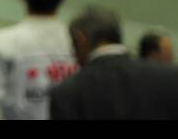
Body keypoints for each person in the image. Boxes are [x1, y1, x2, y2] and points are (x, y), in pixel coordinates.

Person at [50, 6, 178, 119]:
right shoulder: (169, 78)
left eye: (73, 44)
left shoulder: (68, 94)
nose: (74, 54)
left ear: (80, 39)